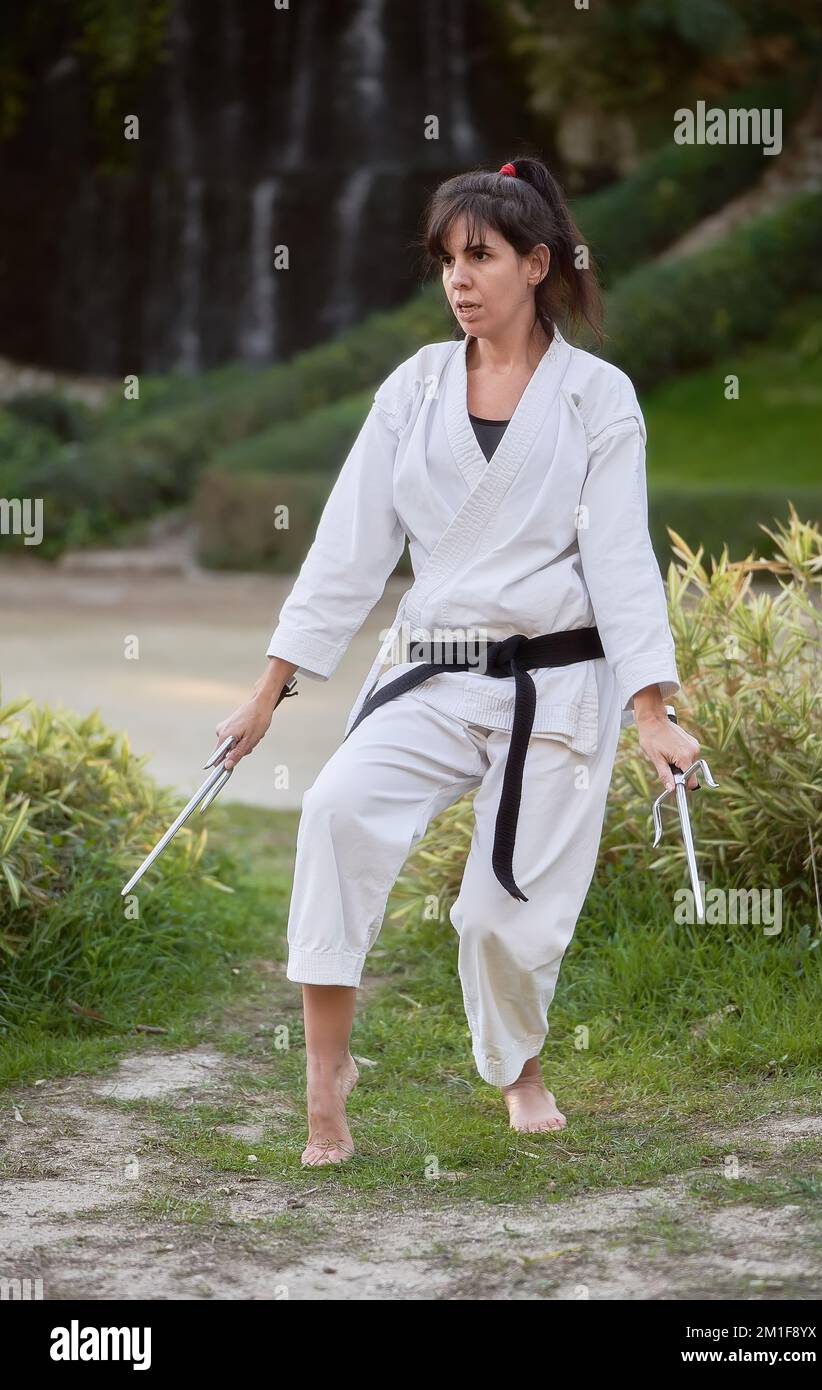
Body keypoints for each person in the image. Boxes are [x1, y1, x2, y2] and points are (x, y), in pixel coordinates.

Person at [215, 156, 700, 1166]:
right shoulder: (415, 387)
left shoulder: (596, 399)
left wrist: (648, 710)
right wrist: (268, 690)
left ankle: (518, 1069)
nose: (458, 279)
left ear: (536, 263)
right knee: (335, 810)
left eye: (478, 256)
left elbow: (617, 558)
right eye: (445, 260)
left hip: (557, 681)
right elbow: (349, 548)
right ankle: (325, 1075)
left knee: (495, 915)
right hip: (431, 669)